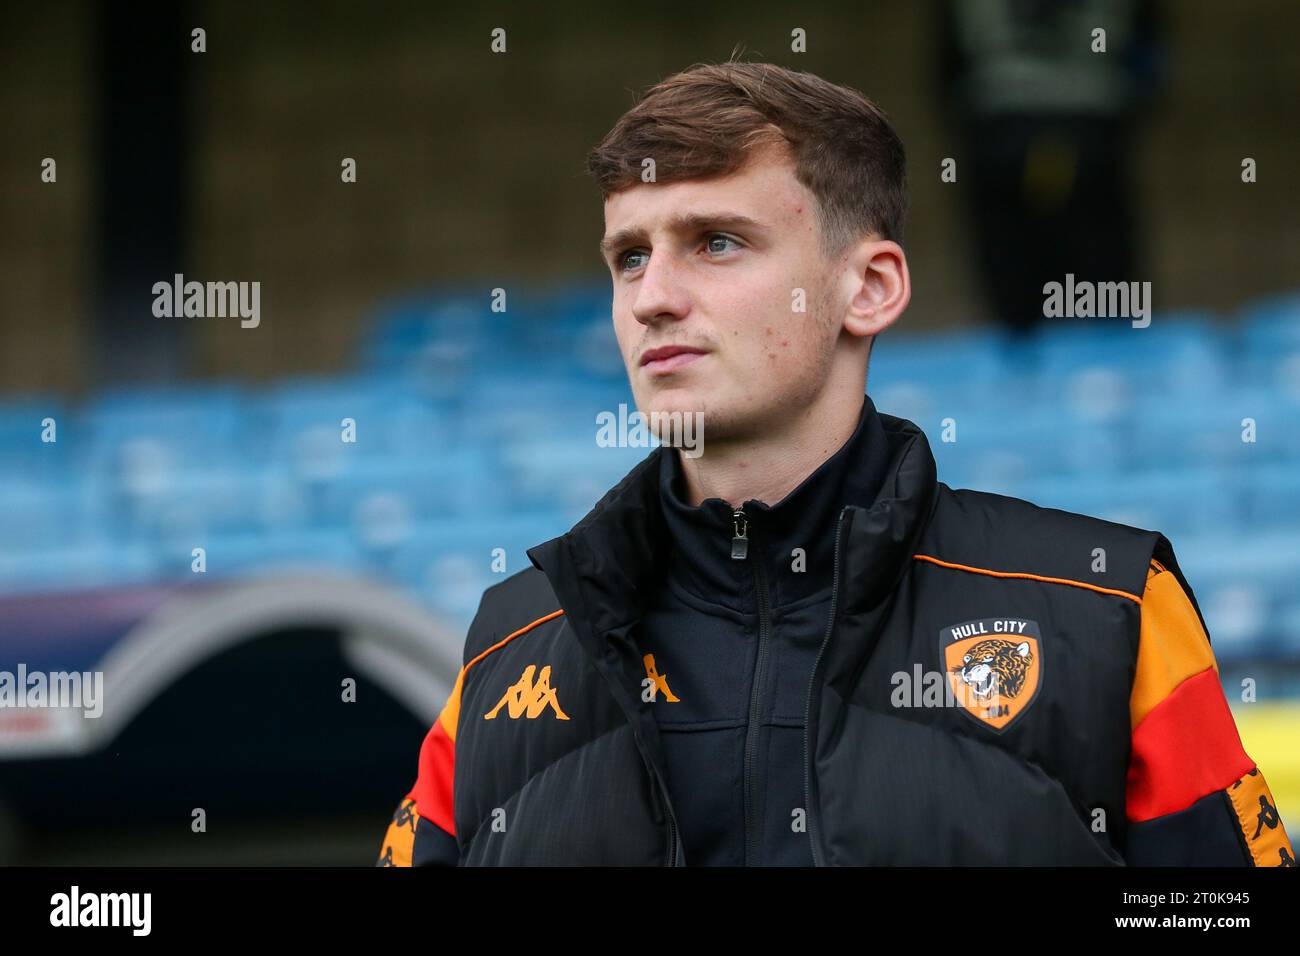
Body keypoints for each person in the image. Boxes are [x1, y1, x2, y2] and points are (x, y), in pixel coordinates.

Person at [376, 60, 1293, 866]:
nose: (652, 298)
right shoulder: (507, 650)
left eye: (716, 242)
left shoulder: (1109, 607)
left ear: (869, 287)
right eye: (628, 258)